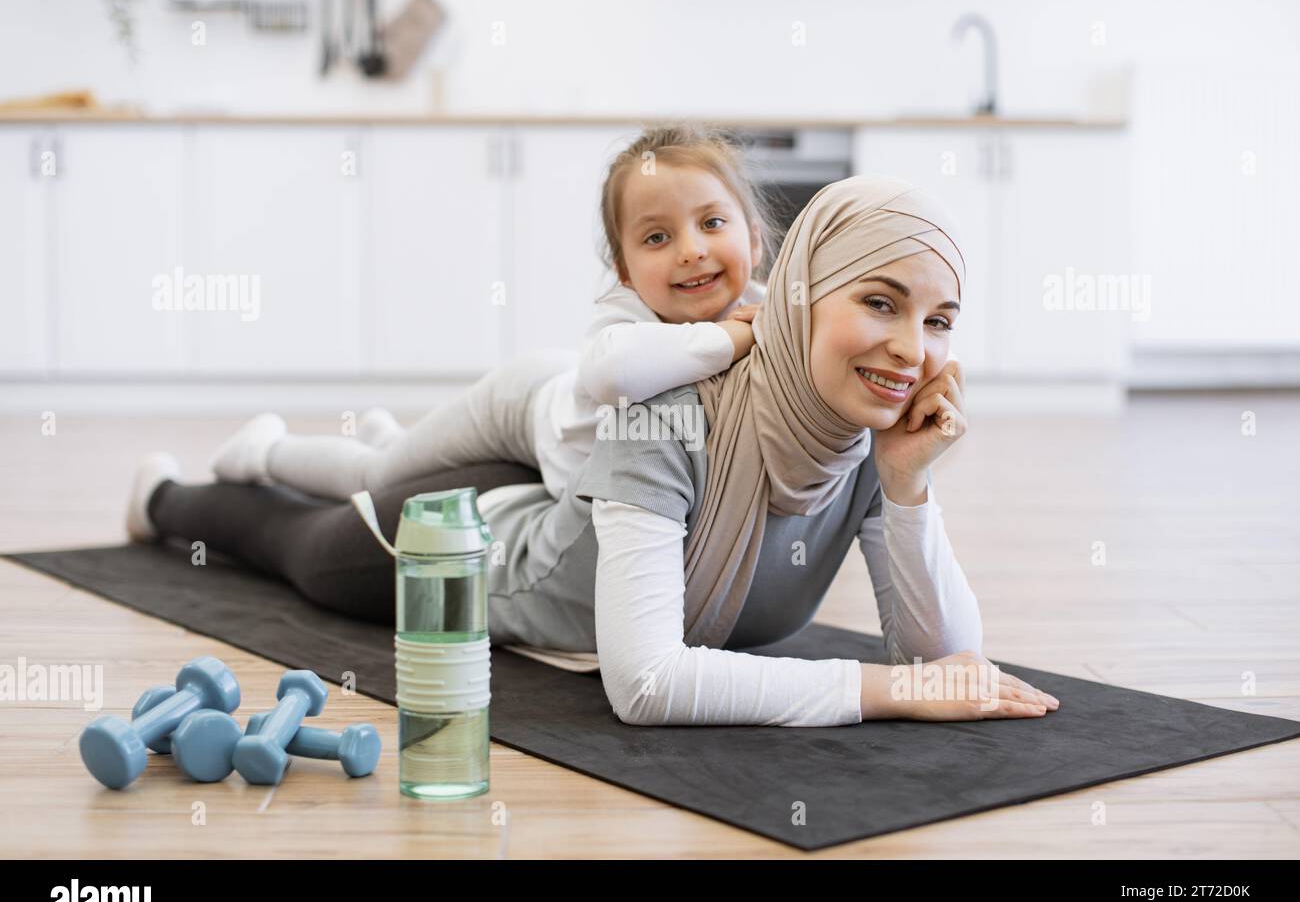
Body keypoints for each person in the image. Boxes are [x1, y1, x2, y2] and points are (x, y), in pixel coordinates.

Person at [124, 173, 1060, 728]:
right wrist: (885, 694)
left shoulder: (858, 443)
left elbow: (952, 665)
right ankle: (167, 498)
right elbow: (647, 684)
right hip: (477, 554)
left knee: (374, 482)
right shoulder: (667, 410)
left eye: (939, 320)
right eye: (881, 303)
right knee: (301, 549)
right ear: (806, 291)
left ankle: (376, 446)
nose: (912, 349)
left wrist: (906, 489)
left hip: (574, 488)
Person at [201, 123, 776, 505]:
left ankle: (392, 436)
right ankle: (266, 450)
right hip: (523, 406)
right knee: (377, 481)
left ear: (752, 240)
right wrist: (725, 338)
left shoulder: (762, 309)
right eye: (656, 237)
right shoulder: (625, 320)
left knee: (405, 456)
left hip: (551, 410)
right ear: (623, 270)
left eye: (712, 223)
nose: (691, 249)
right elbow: (612, 376)